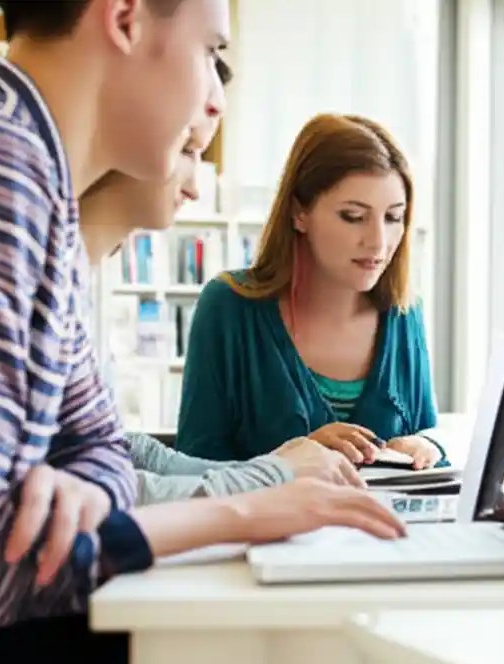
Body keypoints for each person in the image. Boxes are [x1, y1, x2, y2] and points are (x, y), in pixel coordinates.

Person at [0, 2, 403, 664]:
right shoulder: (5, 168)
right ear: (124, 18)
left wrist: (84, 493)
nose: (214, 98)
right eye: (211, 51)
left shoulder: (39, 177)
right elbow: (5, 566)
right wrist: (247, 510)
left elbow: (102, 453)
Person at [79, 60, 362, 503]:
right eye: (187, 149)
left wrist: (272, 467)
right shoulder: (35, 276)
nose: (194, 187)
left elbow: (118, 450)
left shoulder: (82, 280)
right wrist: (273, 475)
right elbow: (93, 490)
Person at [175, 113, 444, 468]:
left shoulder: (404, 313)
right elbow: (190, 472)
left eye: (393, 218)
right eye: (353, 216)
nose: (379, 242)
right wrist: (287, 463)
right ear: (299, 212)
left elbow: (429, 441)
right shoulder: (228, 307)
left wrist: (427, 448)